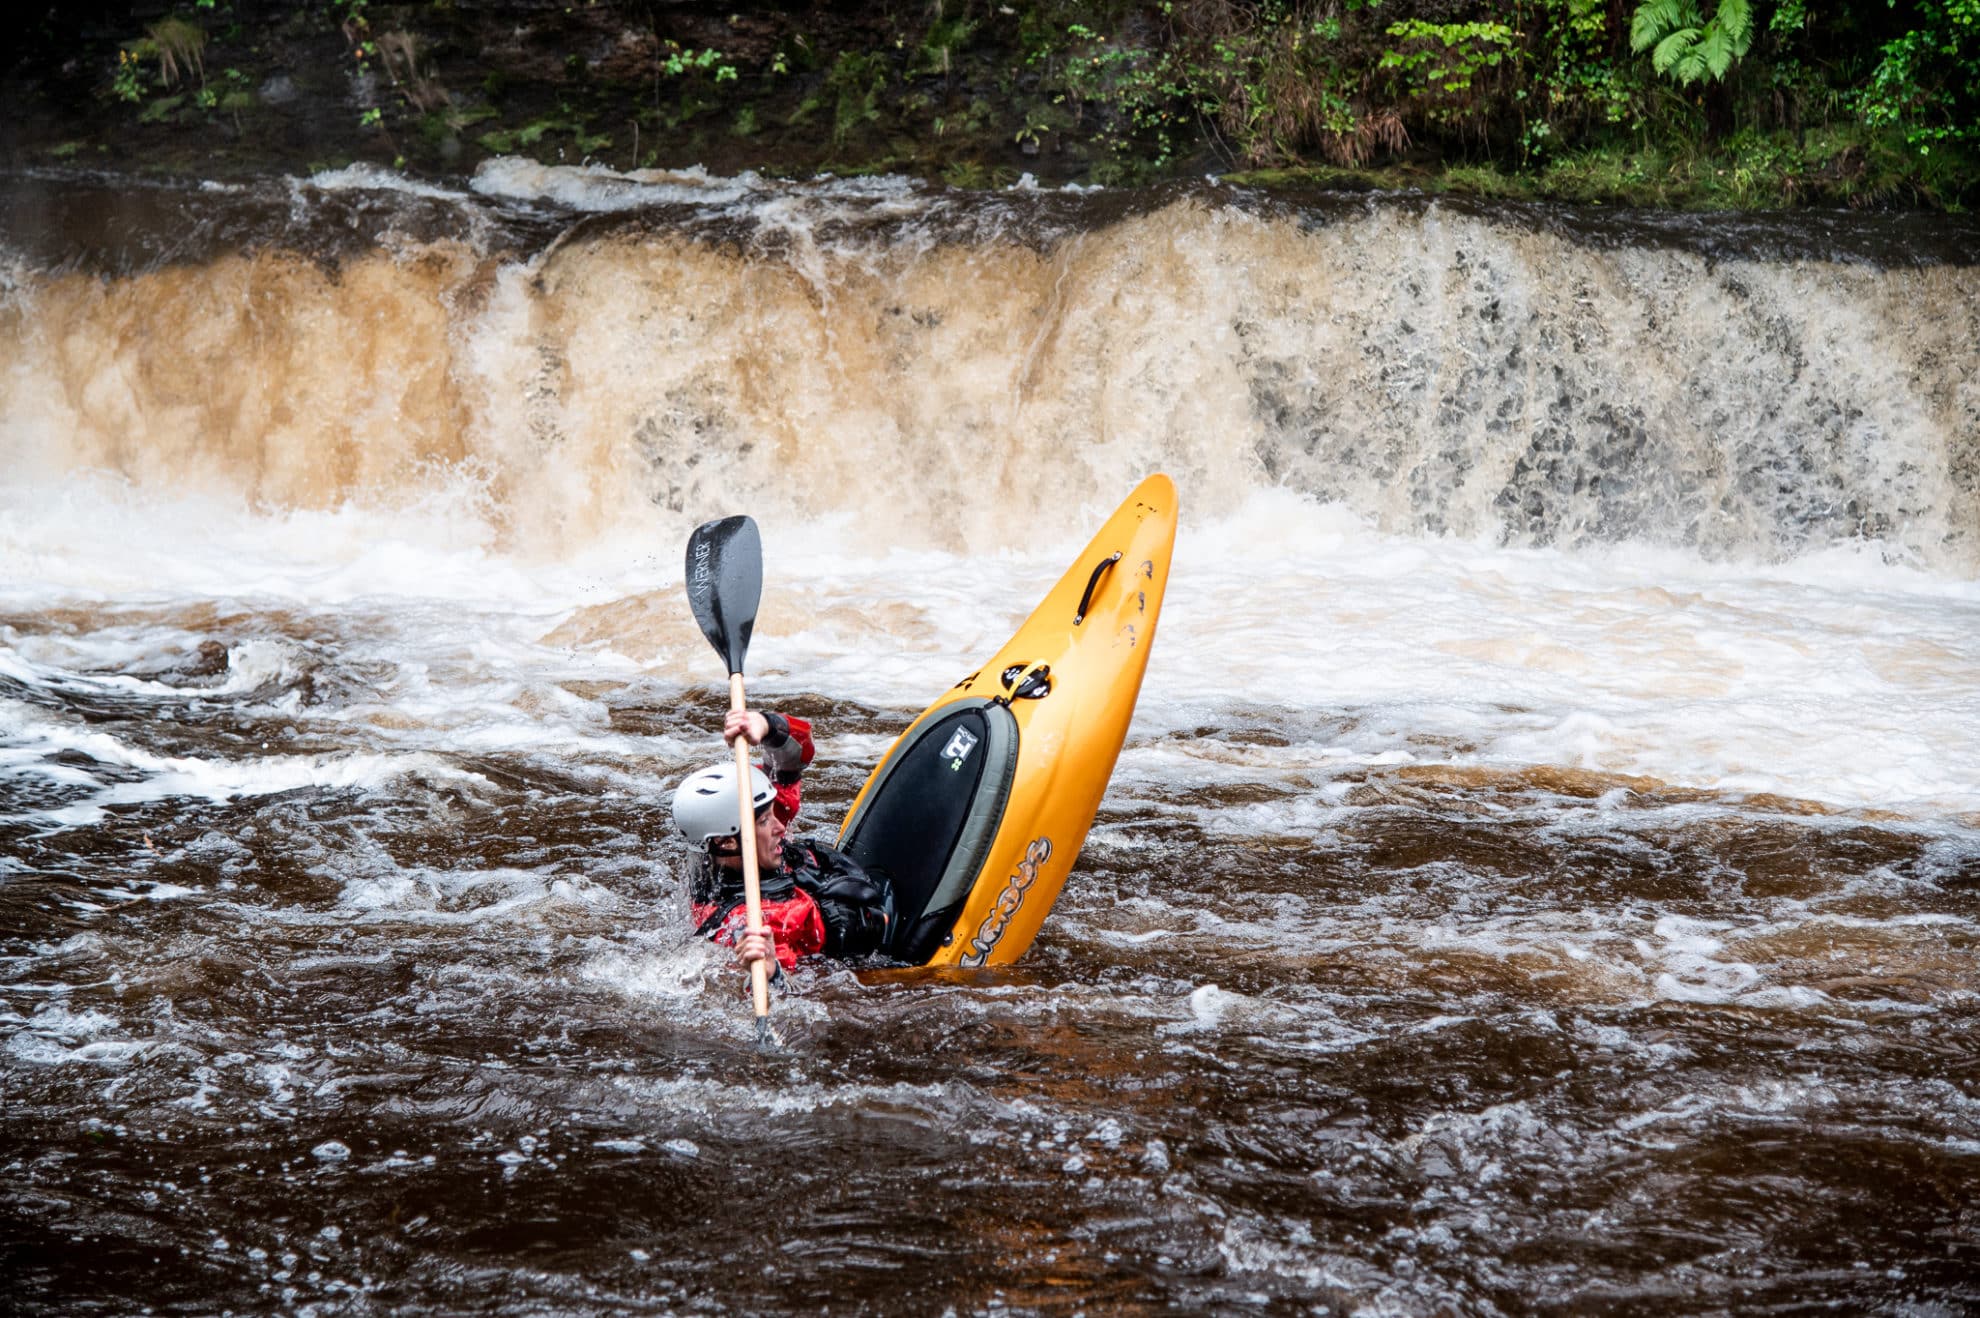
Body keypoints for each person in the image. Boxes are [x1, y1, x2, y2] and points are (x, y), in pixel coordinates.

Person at [671, 708, 894, 975]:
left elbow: (797, 754)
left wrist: (766, 725)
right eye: (765, 820)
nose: (780, 825)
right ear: (727, 842)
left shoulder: (745, 833)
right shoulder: (751, 924)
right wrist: (771, 973)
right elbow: (794, 1000)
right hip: (882, 962)